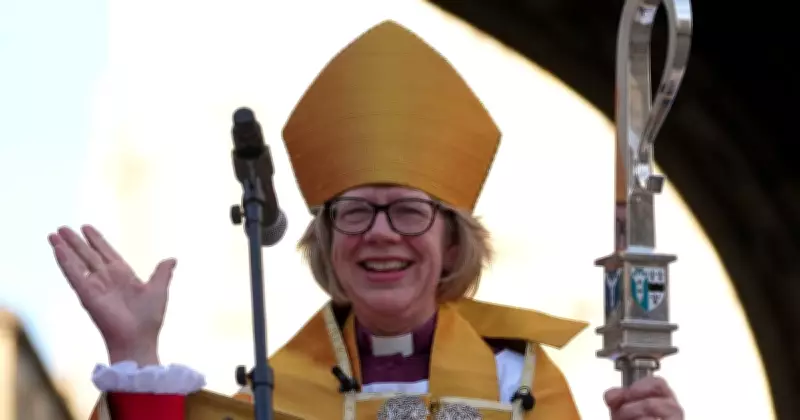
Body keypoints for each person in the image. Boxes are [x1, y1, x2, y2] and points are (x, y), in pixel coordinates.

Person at [49, 21, 684, 420]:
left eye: (409, 210)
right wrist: (133, 351)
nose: (381, 233)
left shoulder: (518, 381)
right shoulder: (275, 395)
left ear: (451, 240)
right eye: (354, 212)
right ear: (327, 242)